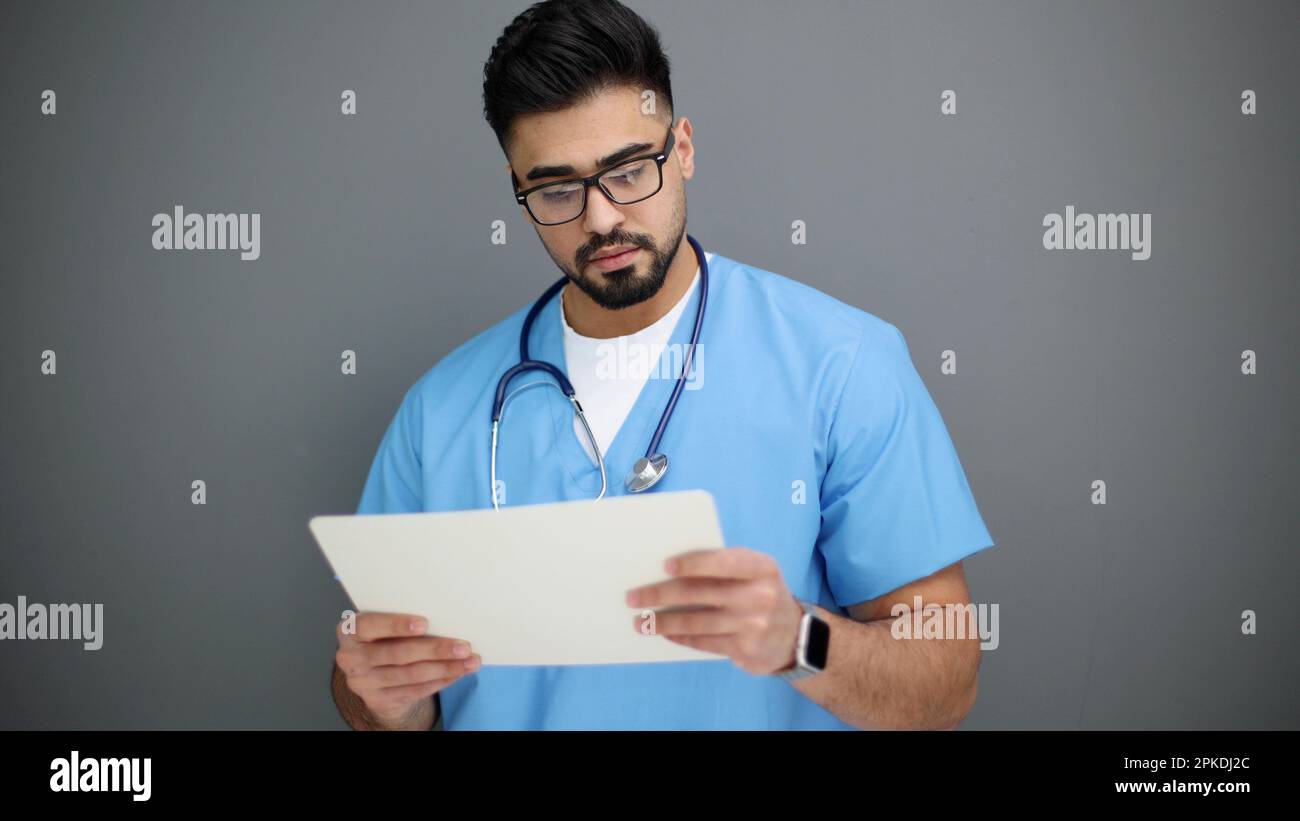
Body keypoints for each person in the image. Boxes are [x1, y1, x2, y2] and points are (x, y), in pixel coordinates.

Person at [331, 0, 994, 731]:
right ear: (518, 195)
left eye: (628, 169)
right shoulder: (440, 412)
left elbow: (946, 685)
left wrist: (797, 640)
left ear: (681, 148)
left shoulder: (842, 367)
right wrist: (380, 698)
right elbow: (380, 695)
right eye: (557, 189)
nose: (602, 217)